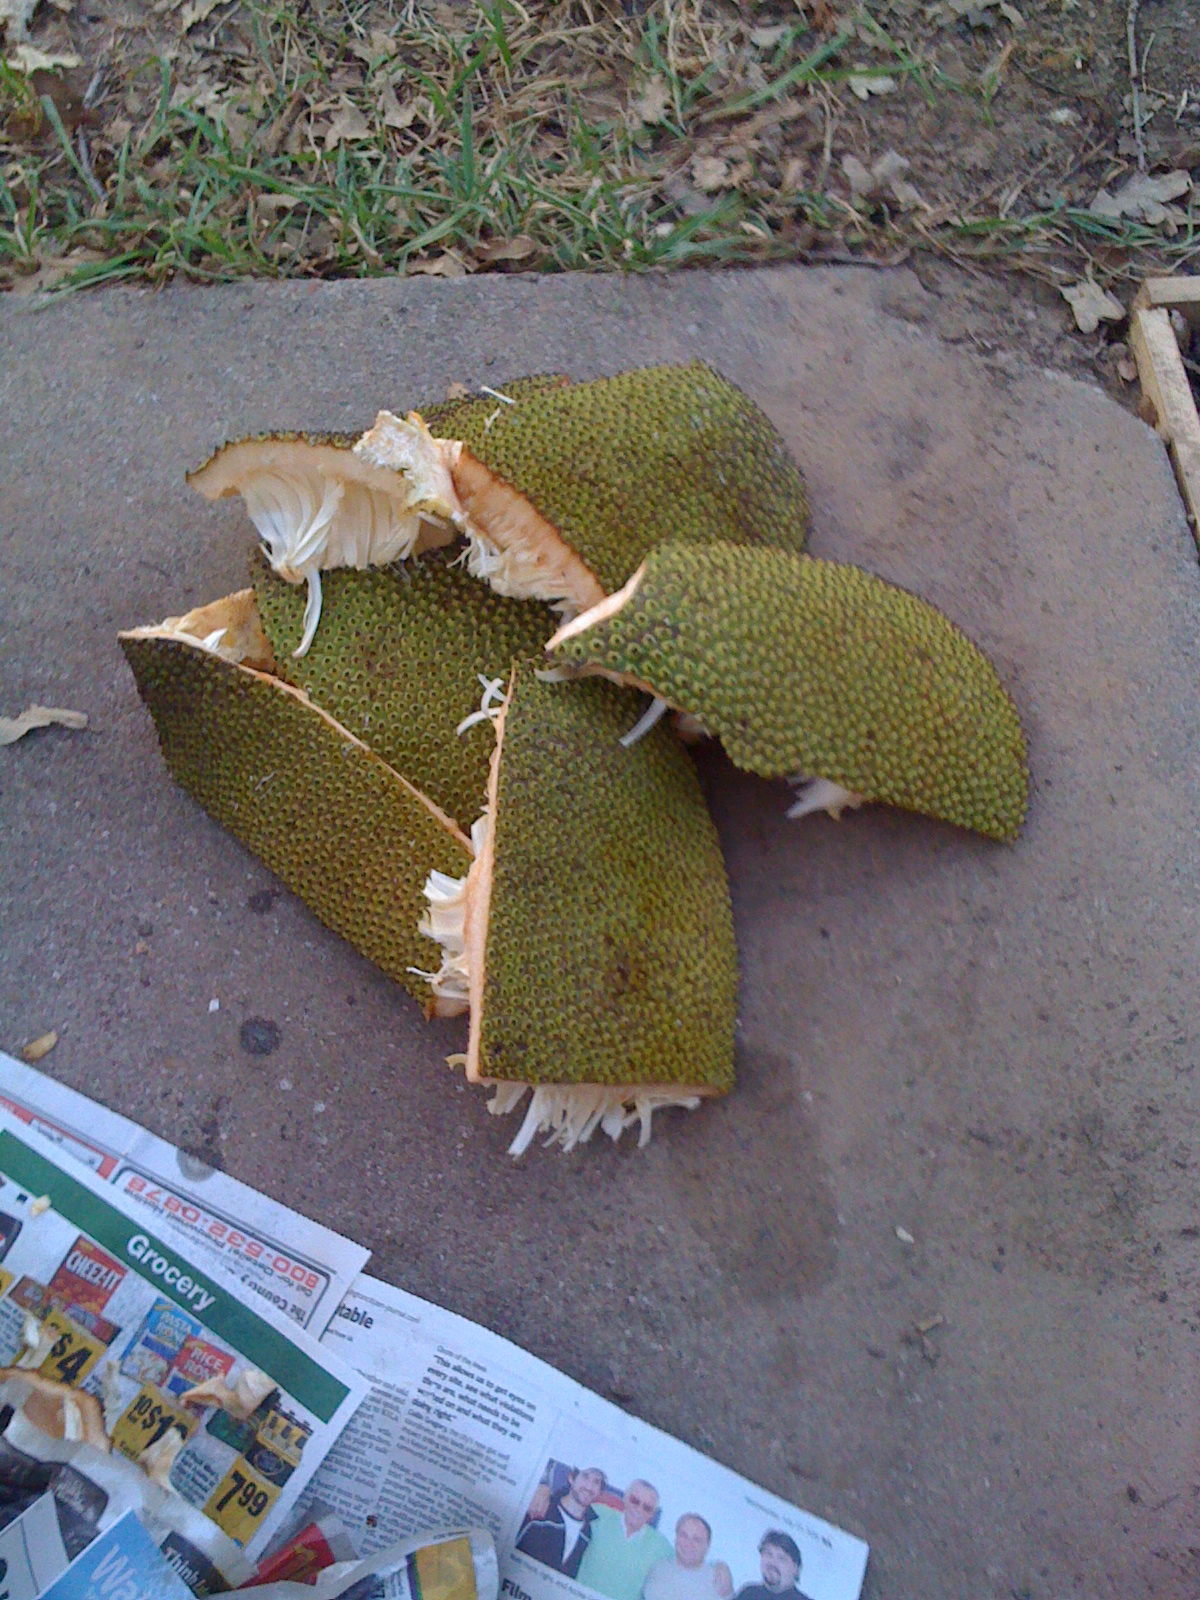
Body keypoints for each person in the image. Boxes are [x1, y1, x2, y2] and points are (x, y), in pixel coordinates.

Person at [576, 1479, 672, 1600]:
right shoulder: (599, 1514)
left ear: (652, 1514)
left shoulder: (662, 1547)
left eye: (647, 1508)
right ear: (625, 1498)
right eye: (635, 1501)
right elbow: (566, 1505)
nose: (639, 1509)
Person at [517, 1466, 605, 1577]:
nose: (589, 1487)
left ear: (600, 1492)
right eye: (585, 1476)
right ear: (571, 1478)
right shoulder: (540, 1509)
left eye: (596, 1482)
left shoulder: (587, 1533)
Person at [642, 1514, 733, 1600]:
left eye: (696, 1539)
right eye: (684, 1536)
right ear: (676, 1538)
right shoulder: (658, 1567)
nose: (688, 1544)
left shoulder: (719, 1581)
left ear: (707, 1546)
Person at [732, 1532, 803, 1600]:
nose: (772, 1562)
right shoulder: (748, 1594)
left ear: (795, 1568)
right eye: (768, 1554)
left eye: (781, 1558)